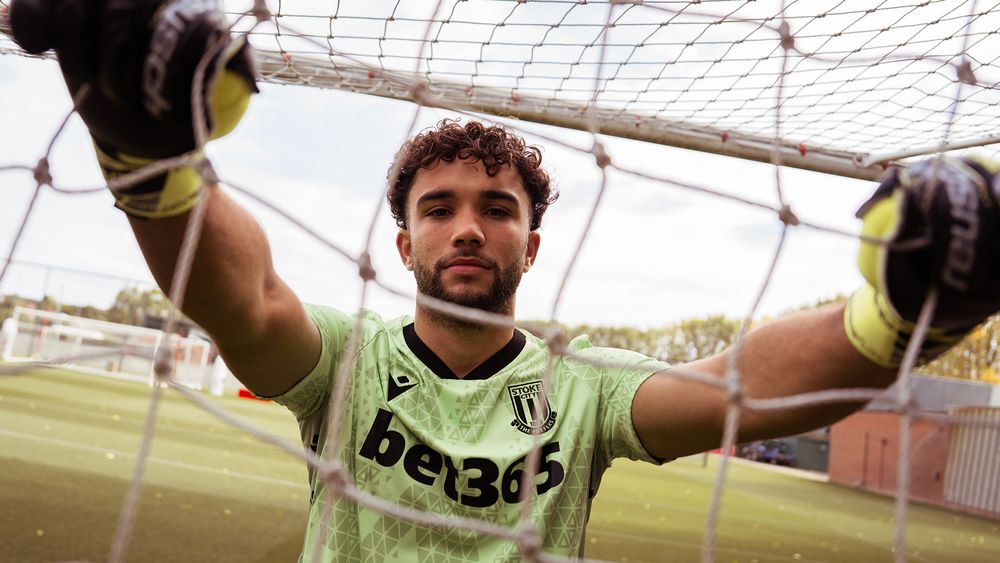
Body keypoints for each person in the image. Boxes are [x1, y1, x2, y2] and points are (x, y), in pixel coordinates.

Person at [9, 1, 1000, 561]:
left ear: (533, 242)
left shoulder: (584, 388)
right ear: (399, 244)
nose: (468, 226)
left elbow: (736, 381)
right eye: (437, 208)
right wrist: (148, 156)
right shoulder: (345, 357)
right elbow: (246, 297)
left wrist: (907, 308)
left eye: (496, 207)